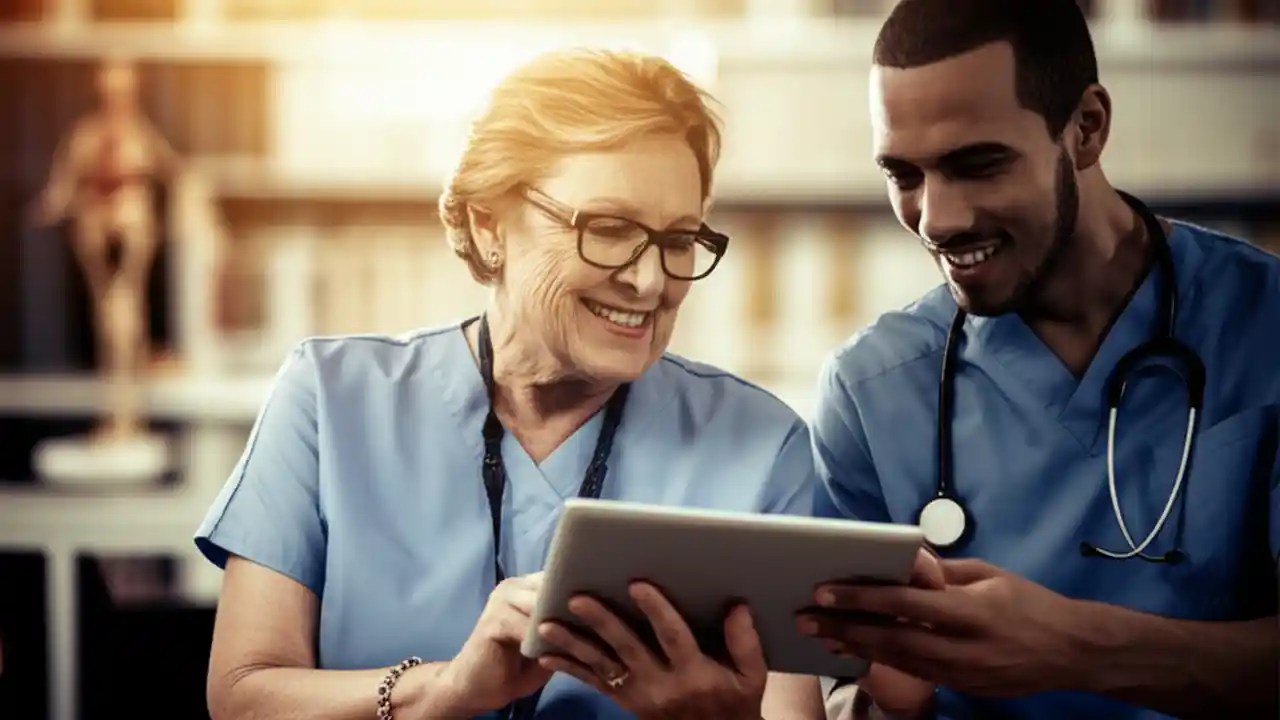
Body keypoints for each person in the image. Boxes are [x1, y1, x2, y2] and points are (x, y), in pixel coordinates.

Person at [195, 48, 817, 720]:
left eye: (678, 240)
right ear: (488, 225)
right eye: (609, 230)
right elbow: (243, 696)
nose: (649, 281)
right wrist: (447, 691)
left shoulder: (764, 449)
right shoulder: (329, 399)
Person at [792, 1, 1280, 718]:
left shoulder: (1262, 325)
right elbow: (848, 688)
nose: (937, 218)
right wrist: (886, 698)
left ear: (1086, 129)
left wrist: (1072, 648)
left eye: (977, 165)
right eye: (903, 174)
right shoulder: (870, 390)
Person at [31, 56, 182, 443]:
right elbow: (63, 184)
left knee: (126, 319)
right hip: (98, 235)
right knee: (110, 323)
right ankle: (115, 414)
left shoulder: (141, 135)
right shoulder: (87, 135)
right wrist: (53, 205)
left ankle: (130, 414)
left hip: (131, 239)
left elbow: (172, 173)